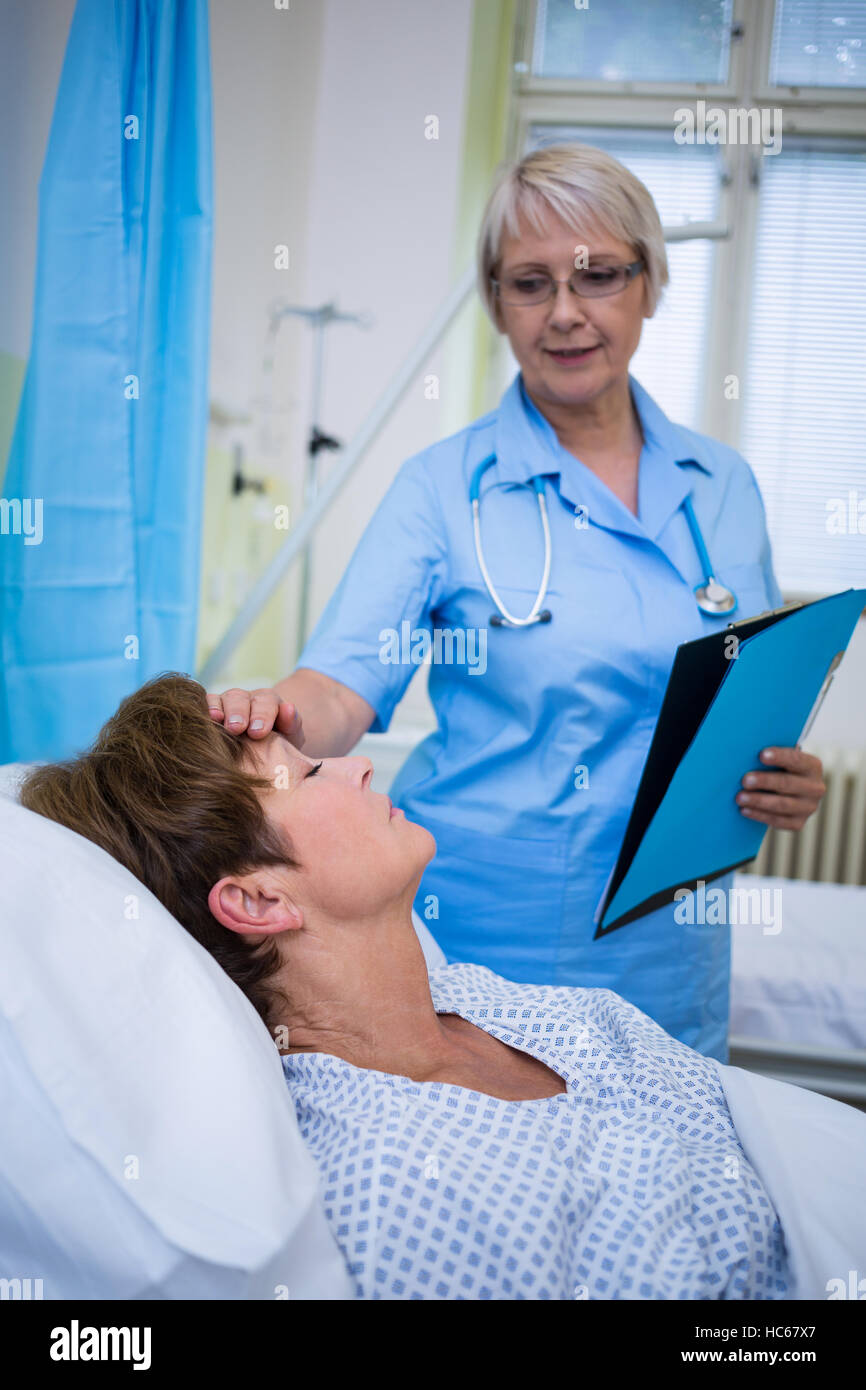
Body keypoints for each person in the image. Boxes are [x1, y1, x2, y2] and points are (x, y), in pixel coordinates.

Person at [206, 143, 826, 1063]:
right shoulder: (443, 488)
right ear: (496, 303)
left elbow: (747, 703)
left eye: (599, 276)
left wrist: (784, 778)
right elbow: (340, 689)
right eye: (530, 284)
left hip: (669, 947)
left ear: (648, 285)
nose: (566, 314)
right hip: (481, 936)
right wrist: (275, 712)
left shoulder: (723, 485)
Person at [18, 673, 792, 1301]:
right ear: (258, 901)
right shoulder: (396, 1188)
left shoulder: (501, 1004)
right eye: (311, 772)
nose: (358, 764)